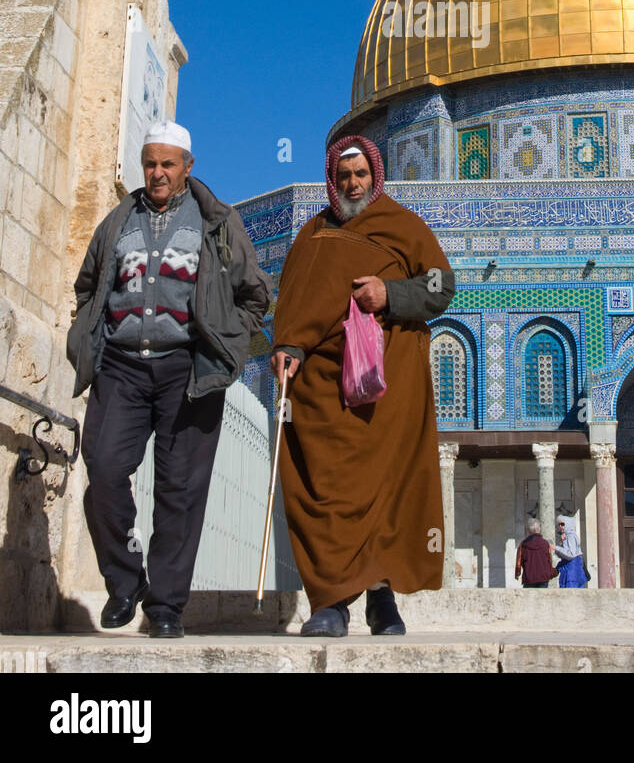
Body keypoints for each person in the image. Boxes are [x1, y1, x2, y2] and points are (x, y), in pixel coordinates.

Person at [67, 121, 269, 639]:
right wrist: (86, 333)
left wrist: (228, 342)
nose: (157, 173)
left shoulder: (217, 223)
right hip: (122, 365)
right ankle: (125, 578)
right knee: (106, 468)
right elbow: (88, 285)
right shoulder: (118, 221)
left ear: (187, 167)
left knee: (181, 489)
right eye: (150, 164)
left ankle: (165, 606)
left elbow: (255, 294)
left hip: (190, 368)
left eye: (167, 164)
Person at [271, 134, 455, 637]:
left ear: (376, 176)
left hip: (385, 387)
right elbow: (293, 303)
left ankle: (382, 598)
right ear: (333, 178)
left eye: (361, 175)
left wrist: (389, 292)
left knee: (384, 491)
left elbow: (441, 286)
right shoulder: (313, 234)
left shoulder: (403, 226)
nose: (353, 184)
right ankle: (330, 601)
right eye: (344, 175)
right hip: (323, 390)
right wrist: (287, 347)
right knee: (325, 489)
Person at [514, 519, 554, 588]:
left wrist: (517, 573)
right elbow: (549, 560)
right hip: (543, 577)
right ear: (539, 529)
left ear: (529, 531)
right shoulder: (545, 544)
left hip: (529, 577)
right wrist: (551, 573)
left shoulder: (523, 544)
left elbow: (519, 561)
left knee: (529, 598)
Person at [553, 513, 589, 587]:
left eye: (562, 524)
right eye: (559, 524)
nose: (560, 526)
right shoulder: (567, 536)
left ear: (567, 524)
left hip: (572, 572)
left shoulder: (571, 536)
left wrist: (556, 548)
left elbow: (570, 554)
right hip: (570, 570)